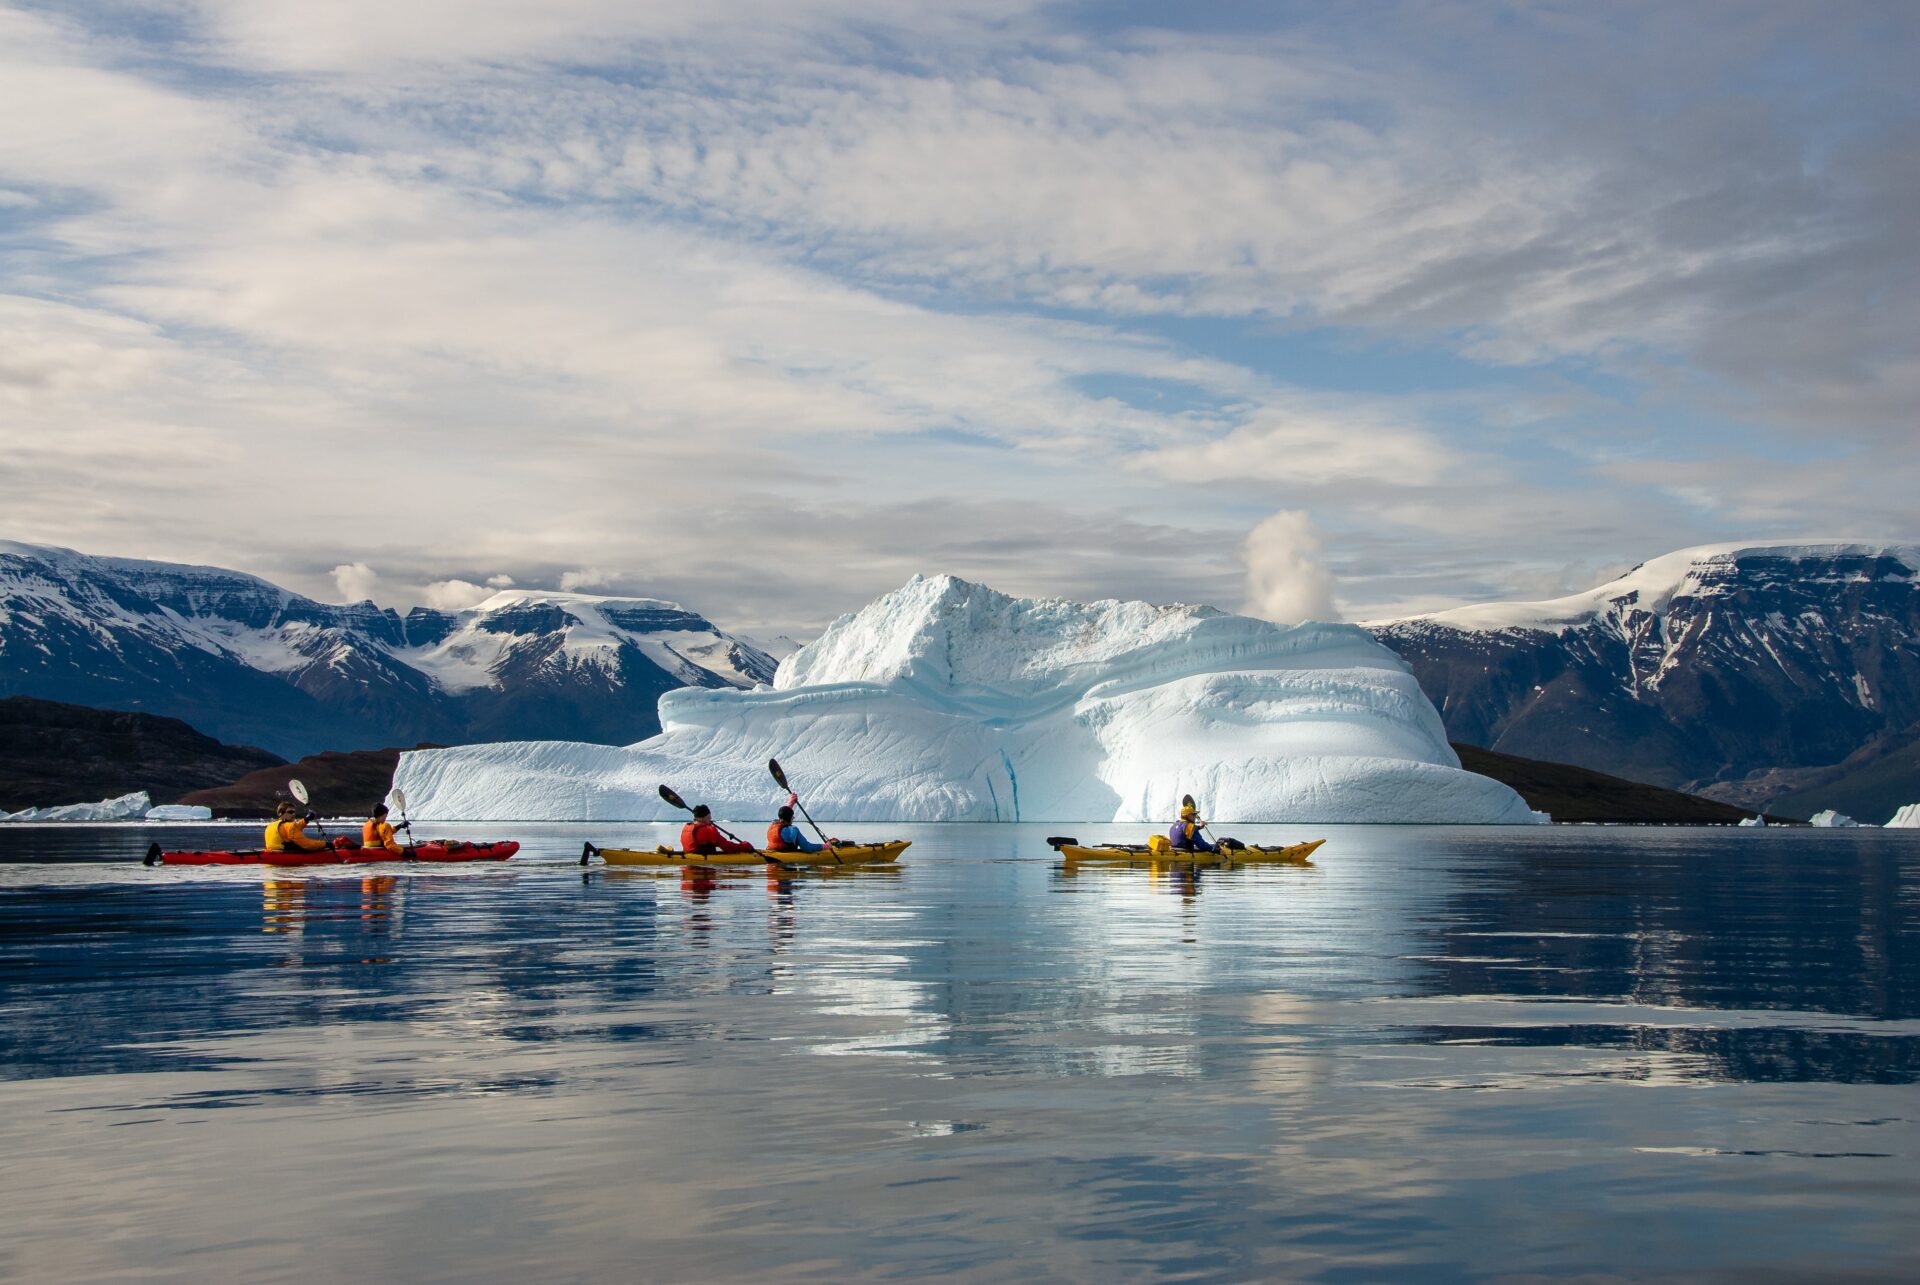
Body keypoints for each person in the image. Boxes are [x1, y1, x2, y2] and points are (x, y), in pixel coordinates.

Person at [765, 795, 840, 853]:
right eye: (792, 817)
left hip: (772, 851)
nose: (793, 818)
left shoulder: (773, 824)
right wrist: (825, 846)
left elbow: (784, 814)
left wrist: (791, 802)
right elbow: (807, 847)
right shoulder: (792, 831)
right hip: (787, 858)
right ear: (790, 818)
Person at [680, 804, 755, 855]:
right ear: (703, 818)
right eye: (709, 816)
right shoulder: (708, 830)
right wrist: (745, 846)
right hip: (704, 863)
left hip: (689, 857)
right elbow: (728, 847)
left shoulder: (687, 827)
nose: (711, 818)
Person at [264, 801, 329, 853]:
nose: (293, 814)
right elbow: (306, 845)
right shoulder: (290, 826)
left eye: (294, 812)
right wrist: (326, 844)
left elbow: (296, 826)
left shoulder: (270, 825)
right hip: (287, 854)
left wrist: (306, 819)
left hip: (273, 852)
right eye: (290, 812)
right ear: (281, 813)